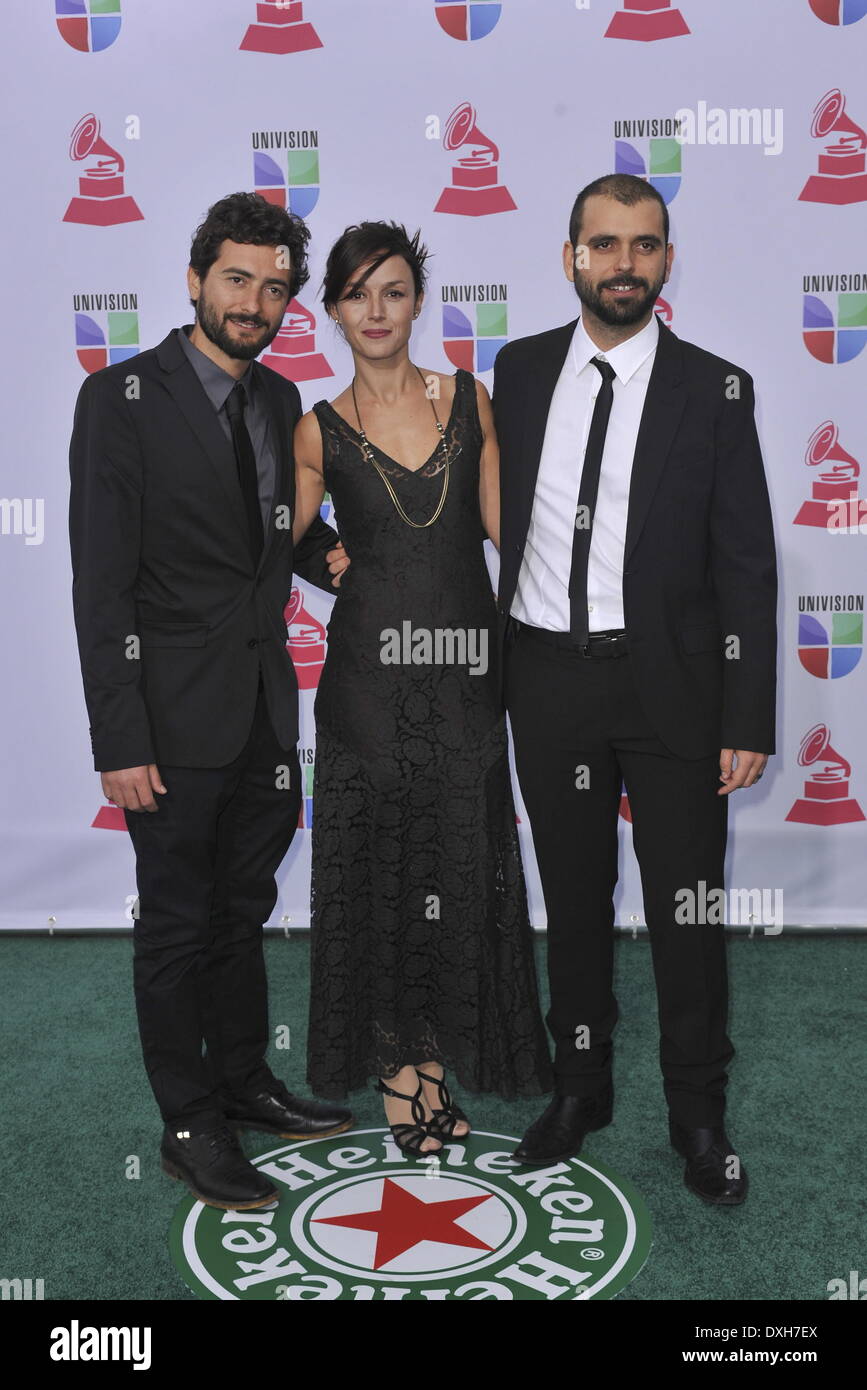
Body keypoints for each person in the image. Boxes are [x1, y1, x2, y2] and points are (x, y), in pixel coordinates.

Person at [493, 173, 777, 1203]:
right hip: (547, 680)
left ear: (666, 259)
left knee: (686, 912)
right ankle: (581, 1087)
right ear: (570, 256)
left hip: (674, 694)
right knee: (571, 901)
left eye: (644, 245)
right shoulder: (517, 373)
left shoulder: (718, 387)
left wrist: (746, 713)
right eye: (603, 244)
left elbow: (746, 563)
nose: (624, 262)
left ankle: (699, 1116)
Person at [69, 191, 355, 1211]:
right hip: (169, 720)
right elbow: (102, 583)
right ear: (196, 280)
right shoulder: (120, 398)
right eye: (238, 278)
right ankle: (190, 1123)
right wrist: (120, 733)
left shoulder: (283, 402)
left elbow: (284, 539)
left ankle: (242, 1080)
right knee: (177, 928)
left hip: (266, 713)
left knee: (242, 911)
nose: (256, 299)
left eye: (276, 287)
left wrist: (361, 564)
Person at [293, 221, 553, 1155]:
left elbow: (506, 533)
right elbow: (279, 531)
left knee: (457, 858)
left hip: (465, 677)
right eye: (357, 293)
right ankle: (406, 1075)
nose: (375, 310)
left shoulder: (471, 402)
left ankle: (446, 1044)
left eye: (393, 291)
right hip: (366, 683)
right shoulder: (314, 426)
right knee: (383, 871)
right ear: (330, 310)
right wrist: (328, 564)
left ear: (416, 303)